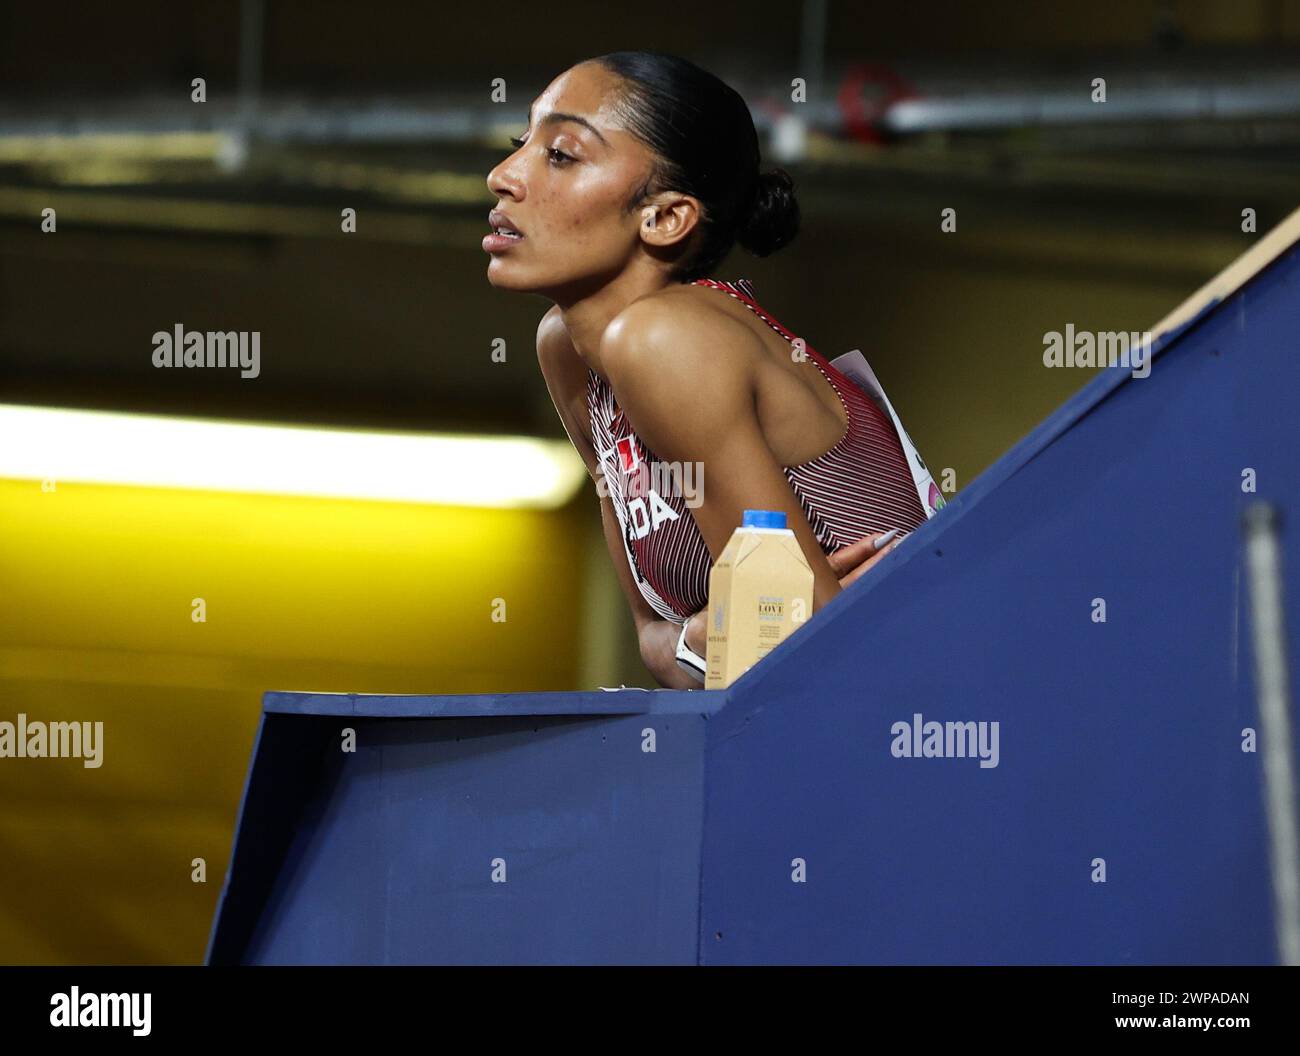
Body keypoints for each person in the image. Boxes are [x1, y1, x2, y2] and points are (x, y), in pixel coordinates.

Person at [484, 50, 928, 688]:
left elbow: (813, 656)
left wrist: (731, 633)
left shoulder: (668, 340)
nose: (502, 175)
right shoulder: (569, 350)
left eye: (561, 154)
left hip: (924, 709)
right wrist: (708, 635)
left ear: (664, 218)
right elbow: (656, 640)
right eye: (519, 142)